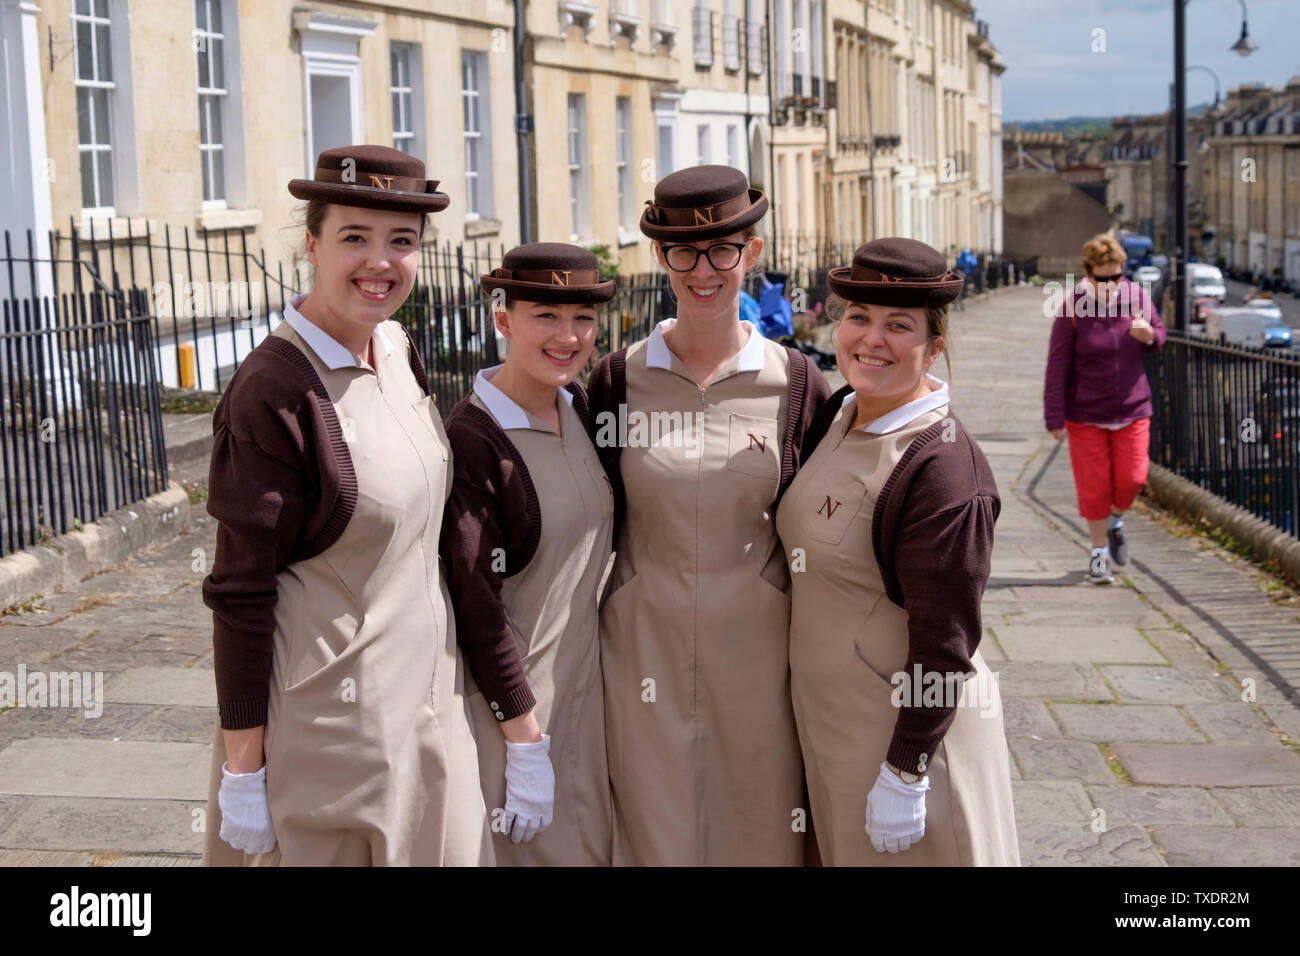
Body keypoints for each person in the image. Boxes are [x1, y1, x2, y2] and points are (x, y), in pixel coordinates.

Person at [201, 145, 492, 866]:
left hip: (427, 712)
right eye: (354, 238)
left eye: (402, 242)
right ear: (312, 244)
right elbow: (241, 592)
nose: (380, 262)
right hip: (331, 738)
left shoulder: (395, 347)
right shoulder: (273, 390)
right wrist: (244, 770)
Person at [587, 165, 831, 865]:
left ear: (751, 254)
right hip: (640, 655)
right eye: (683, 252)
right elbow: (582, 508)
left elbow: (828, 516)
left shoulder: (795, 383)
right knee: (650, 832)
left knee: (758, 830)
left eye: (723, 249)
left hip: (760, 659)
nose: (704, 269)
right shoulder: (616, 380)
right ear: (660, 257)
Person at [779, 237, 1019, 865]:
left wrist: (905, 773)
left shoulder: (943, 469)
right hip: (836, 733)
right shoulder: (840, 412)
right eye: (858, 317)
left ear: (935, 345)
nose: (871, 339)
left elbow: (945, 640)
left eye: (899, 326)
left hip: (908, 746)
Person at [440, 243, 616, 865]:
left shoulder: (582, 408)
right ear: (502, 318)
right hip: (517, 715)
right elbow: (475, 603)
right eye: (545, 315)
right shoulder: (476, 438)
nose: (567, 337)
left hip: (586, 701)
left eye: (583, 319)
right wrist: (523, 743)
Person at [1044, 233, 1167, 584]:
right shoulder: (1072, 308)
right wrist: (1054, 416)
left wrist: (1151, 337)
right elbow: (1057, 365)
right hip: (1086, 414)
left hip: (1133, 408)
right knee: (1094, 487)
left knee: (1132, 479)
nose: (1112, 284)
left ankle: (1116, 520)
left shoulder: (1137, 297)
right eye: (1103, 278)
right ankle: (1099, 555)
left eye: (1117, 276)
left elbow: (1159, 333)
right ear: (1087, 273)